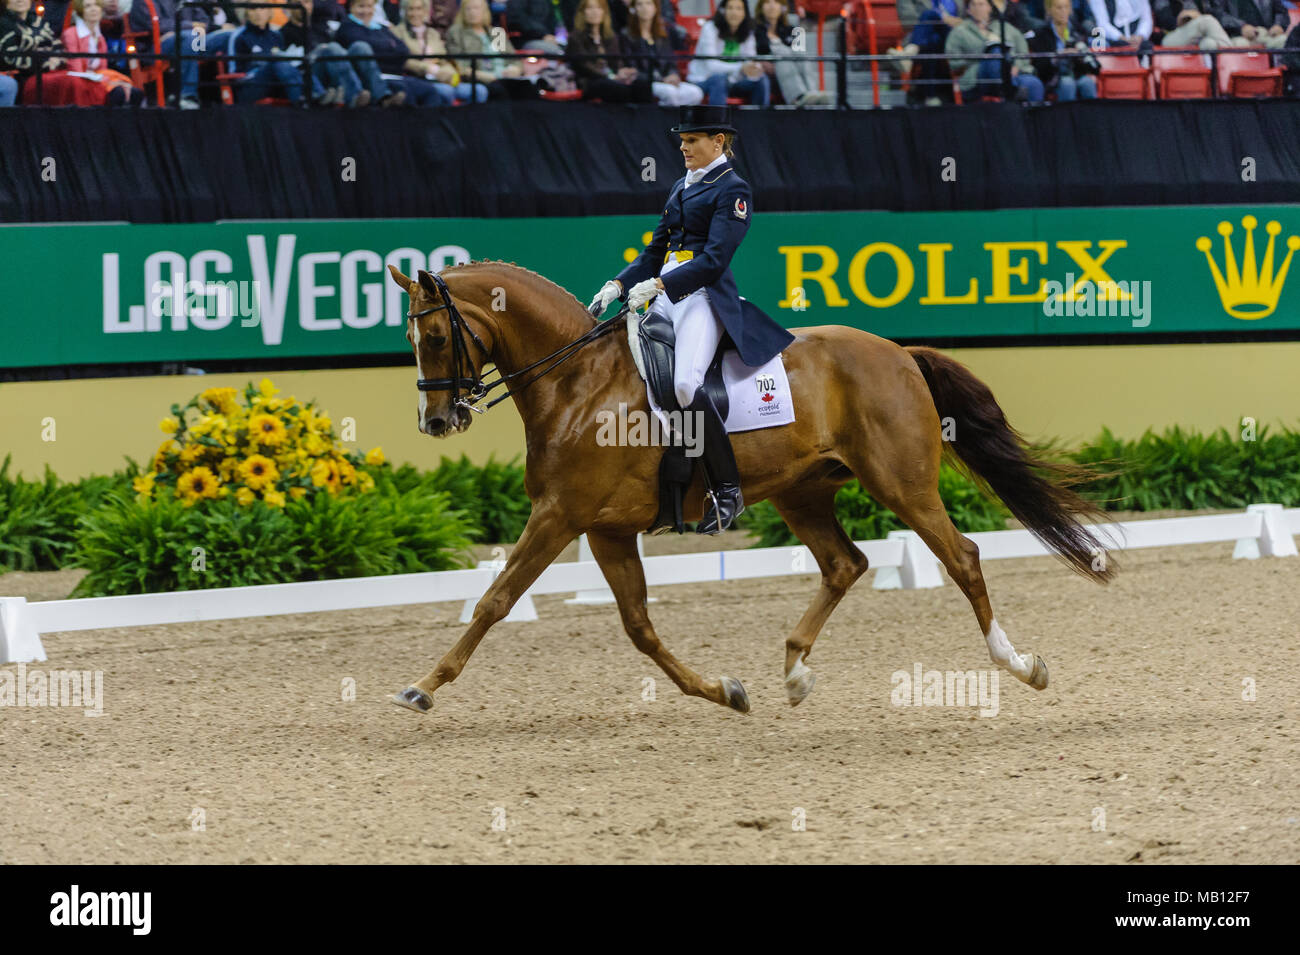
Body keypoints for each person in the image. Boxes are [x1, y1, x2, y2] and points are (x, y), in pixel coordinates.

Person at [587, 105, 795, 534]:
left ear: (718, 142)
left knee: (685, 384)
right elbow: (652, 254)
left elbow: (715, 259)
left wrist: (661, 286)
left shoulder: (733, 189)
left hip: (702, 297)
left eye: (691, 140)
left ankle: (726, 489)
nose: (682, 147)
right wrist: (618, 285)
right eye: (681, 140)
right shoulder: (680, 186)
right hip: (660, 293)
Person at [129, 0, 232, 108]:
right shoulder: (143, 1)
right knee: (188, 37)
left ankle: (243, 90)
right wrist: (188, 26)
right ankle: (186, 95)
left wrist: (217, 27)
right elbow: (153, 24)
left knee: (226, 36)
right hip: (155, 46)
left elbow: (203, 22)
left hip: (192, 40)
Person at [946, 0, 1044, 99]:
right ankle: (1011, 89)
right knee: (995, 51)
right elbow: (953, 61)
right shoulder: (959, 31)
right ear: (968, 10)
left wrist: (1017, 67)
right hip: (977, 77)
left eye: (981, 4)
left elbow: (1023, 52)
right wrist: (979, 59)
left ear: (990, 7)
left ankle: (1030, 111)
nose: (977, 8)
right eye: (973, 5)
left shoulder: (1005, 27)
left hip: (1012, 72)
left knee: (1034, 84)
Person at [394, 0, 489, 101]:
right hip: (419, 79)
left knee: (480, 91)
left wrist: (449, 74)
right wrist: (430, 69)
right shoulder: (398, 32)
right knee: (447, 91)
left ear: (425, 11)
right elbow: (403, 61)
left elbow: (444, 59)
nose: (415, 13)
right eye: (411, 9)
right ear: (404, 11)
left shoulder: (432, 33)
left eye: (419, 9)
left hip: (443, 77)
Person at [686, 0, 770, 106]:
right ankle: (718, 122)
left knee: (761, 79)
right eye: (730, 8)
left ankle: (760, 121)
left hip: (734, 80)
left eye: (739, 8)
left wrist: (755, 68)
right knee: (719, 79)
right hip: (704, 79)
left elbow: (749, 59)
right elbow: (711, 66)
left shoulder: (748, 31)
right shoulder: (710, 28)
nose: (734, 12)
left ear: (745, 13)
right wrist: (741, 68)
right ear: (723, 11)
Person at [61, 0, 144, 105]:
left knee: (135, 93)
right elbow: (76, 70)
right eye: (88, 6)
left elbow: (102, 69)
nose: (93, 9)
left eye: (96, 5)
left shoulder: (100, 38)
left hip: (98, 78)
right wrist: (107, 81)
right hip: (81, 80)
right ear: (80, 12)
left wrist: (111, 81)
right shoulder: (71, 34)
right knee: (118, 93)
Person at [567, 0, 652, 100]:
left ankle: (641, 114)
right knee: (616, 87)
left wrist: (622, 72)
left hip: (612, 77)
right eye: (590, 8)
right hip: (591, 80)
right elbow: (584, 66)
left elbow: (617, 60)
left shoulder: (611, 37)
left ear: (604, 12)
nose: (595, 12)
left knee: (642, 82)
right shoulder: (575, 38)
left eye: (599, 8)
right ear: (583, 12)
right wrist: (610, 76)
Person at [621, 0, 703, 105]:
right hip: (645, 82)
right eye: (639, 4)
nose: (644, 8)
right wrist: (662, 79)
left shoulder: (662, 34)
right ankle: (667, 118)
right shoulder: (626, 35)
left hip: (666, 80)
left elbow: (670, 61)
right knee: (670, 93)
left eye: (648, 3)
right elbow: (632, 68)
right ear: (633, 9)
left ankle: (673, 117)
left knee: (695, 93)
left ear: (655, 8)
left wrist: (673, 75)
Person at [0, 0, 79, 104]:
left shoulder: (38, 21)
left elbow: (57, 46)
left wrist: (55, 61)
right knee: (66, 82)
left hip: (48, 72)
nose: (20, 1)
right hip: (23, 77)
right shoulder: (3, 24)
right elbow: (9, 58)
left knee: (74, 81)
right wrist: (45, 63)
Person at [754, 0, 830, 104]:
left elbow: (801, 56)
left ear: (783, 7)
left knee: (800, 53)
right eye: (767, 2)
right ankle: (798, 97)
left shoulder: (793, 30)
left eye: (776, 2)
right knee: (782, 51)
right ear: (761, 7)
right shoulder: (754, 30)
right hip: (767, 75)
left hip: (792, 71)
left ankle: (812, 93)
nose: (772, 6)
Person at [445, 0, 526, 97]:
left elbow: (513, 59)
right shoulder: (457, 33)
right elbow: (458, 65)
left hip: (504, 76)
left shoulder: (496, 33)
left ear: (485, 11)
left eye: (476, 8)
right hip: (480, 79)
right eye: (468, 9)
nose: (472, 12)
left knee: (528, 88)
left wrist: (515, 69)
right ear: (462, 12)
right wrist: (482, 76)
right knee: (500, 90)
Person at [335, 0, 410, 104]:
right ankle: (382, 97)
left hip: (393, 74)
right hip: (363, 77)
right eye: (361, 6)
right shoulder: (346, 27)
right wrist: (390, 47)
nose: (366, 11)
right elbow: (364, 48)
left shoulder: (382, 28)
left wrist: (381, 53)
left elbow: (404, 50)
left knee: (426, 90)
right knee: (362, 47)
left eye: (369, 6)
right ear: (351, 7)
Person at [230, 3, 303, 103]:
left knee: (301, 67)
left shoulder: (277, 35)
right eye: (253, 8)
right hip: (250, 86)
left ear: (269, 12)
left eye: (262, 8)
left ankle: (316, 97)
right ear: (246, 13)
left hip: (276, 83)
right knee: (277, 62)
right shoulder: (239, 37)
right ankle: (302, 104)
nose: (258, 13)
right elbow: (233, 71)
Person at [1026, 0, 1098, 97]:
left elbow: (1095, 67)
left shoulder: (1078, 31)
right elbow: (1040, 67)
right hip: (1052, 78)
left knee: (1087, 82)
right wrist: (1057, 57)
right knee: (1067, 83)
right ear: (1049, 10)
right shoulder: (1041, 34)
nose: (1063, 11)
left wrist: (1081, 57)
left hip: (1076, 75)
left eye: (1066, 7)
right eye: (1059, 8)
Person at [1152, 0, 1239, 49]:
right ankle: (1231, 55)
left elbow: (1216, 15)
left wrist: (1197, 16)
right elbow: (1165, 20)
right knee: (1207, 20)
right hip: (1169, 39)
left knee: (1209, 44)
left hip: (1199, 36)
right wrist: (1184, 18)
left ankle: (1215, 80)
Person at [1213, 0, 1290, 49]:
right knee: (1241, 44)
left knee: (1283, 40)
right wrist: (1241, 27)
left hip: (1265, 34)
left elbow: (1281, 13)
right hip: (1236, 36)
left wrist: (1278, 25)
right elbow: (1218, 15)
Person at [1085, 0, 1153, 44]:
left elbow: (1146, 19)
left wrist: (1140, 36)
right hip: (1112, 40)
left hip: (1138, 39)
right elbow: (1102, 23)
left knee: (1147, 46)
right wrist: (1122, 38)